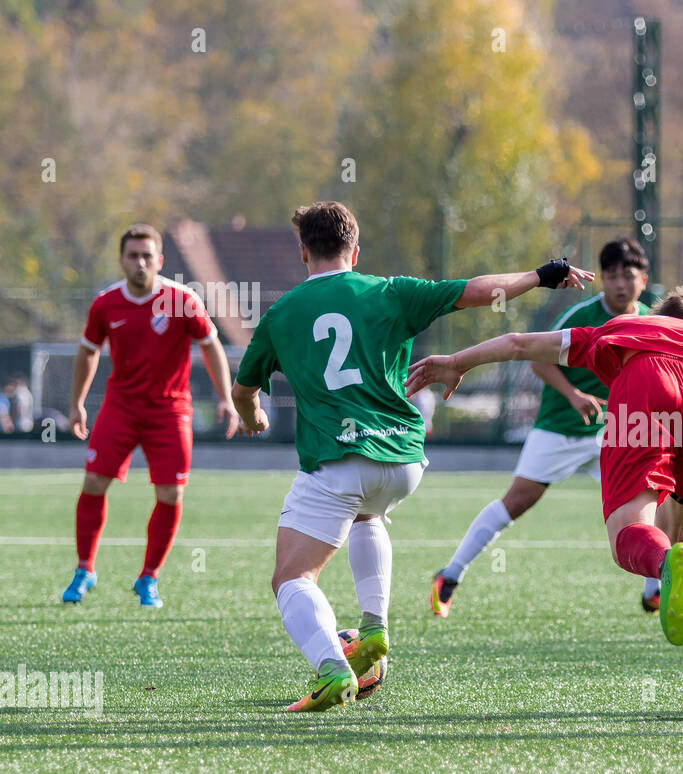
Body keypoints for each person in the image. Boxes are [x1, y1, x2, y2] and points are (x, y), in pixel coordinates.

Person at [230, 200, 592, 712]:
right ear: (355, 251)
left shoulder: (282, 313)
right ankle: (374, 631)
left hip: (340, 459)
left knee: (291, 578)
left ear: (302, 252)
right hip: (404, 459)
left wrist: (253, 418)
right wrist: (541, 274)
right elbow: (478, 291)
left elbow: (243, 391)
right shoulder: (390, 291)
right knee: (367, 514)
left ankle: (334, 670)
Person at [406, 283, 683, 716]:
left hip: (649, 384)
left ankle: (663, 566)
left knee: (630, 531)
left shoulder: (628, 328)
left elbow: (518, 344)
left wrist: (457, 362)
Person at [430, 237, 660, 618]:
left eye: (629, 275)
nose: (621, 284)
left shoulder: (652, 320)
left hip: (615, 433)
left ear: (644, 278)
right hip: (559, 427)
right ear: (602, 279)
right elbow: (537, 362)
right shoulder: (581, 316)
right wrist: (572, 394)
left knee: (648, 501)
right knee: (516, 502)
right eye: (613, 276)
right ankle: (450, 574)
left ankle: (654, 588)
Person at [61, 224, 240, 607]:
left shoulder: (183, 300)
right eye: (133, 255)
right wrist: (76, 402)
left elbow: (211, 347)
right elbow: (88, 352)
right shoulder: (105, 304)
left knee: (171, 493)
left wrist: (226, 397)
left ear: (160, 260)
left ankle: (148, 578)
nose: (140, 262)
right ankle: (84, 570)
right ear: (122, 261)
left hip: (170, 411)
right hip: (120, 407)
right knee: (93, 482)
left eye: (148, 256)